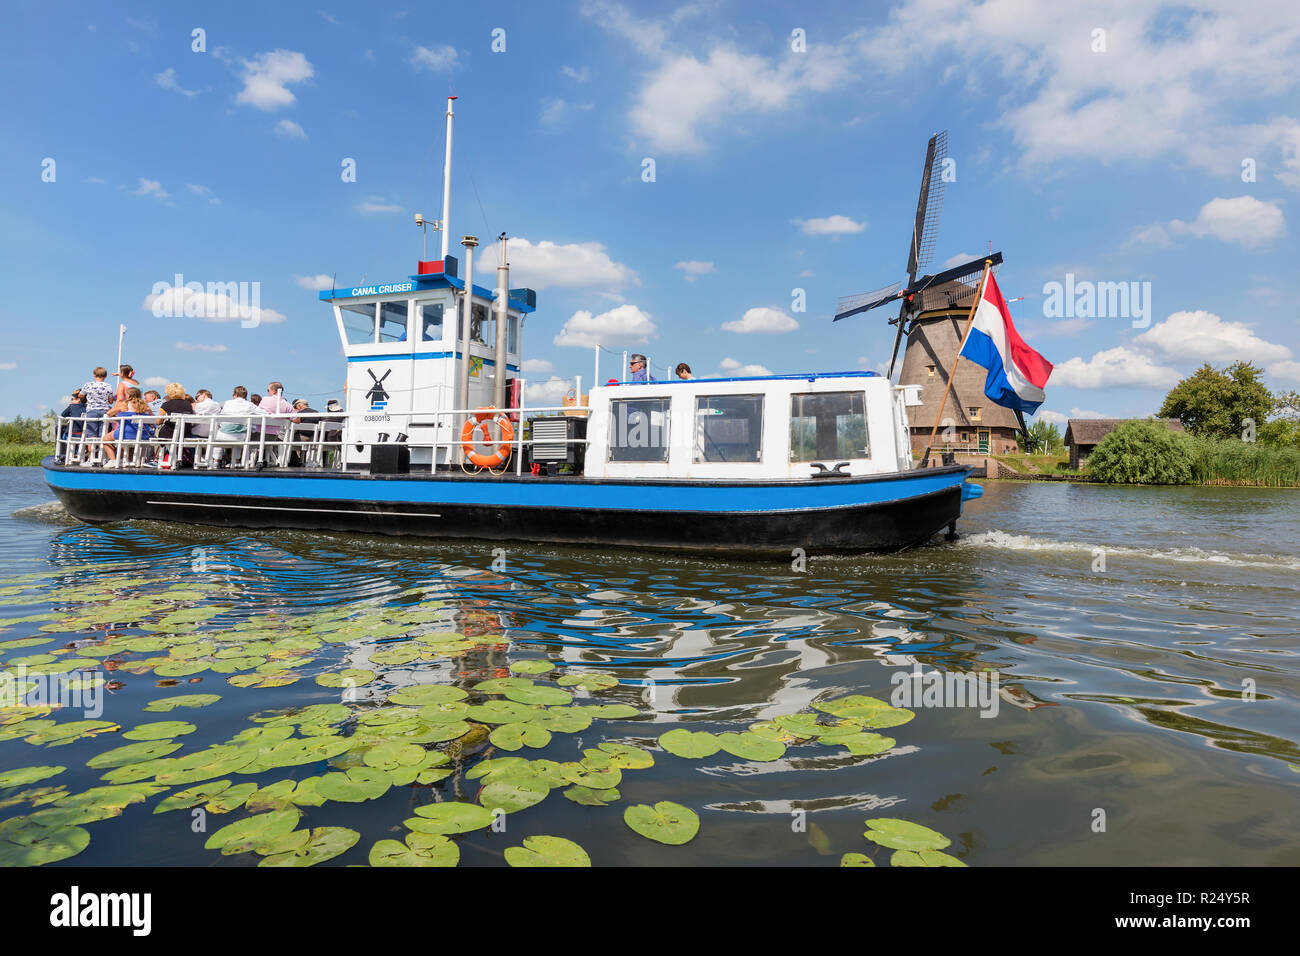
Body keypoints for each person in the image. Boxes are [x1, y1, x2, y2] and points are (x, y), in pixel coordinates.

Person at [214, 386, 261, 466]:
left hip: (223, 435)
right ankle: (235, 460)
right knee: (241, 431)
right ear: (245, 396)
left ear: (235, 395)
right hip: (240, 436)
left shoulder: (227, 403)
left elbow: (220, 416)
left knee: (219, 435)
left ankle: (216, 460)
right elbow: (263, 412)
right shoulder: (249, 405)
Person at [80, 367, 114, 443]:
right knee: (103, 434)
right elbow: (111, 401)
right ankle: (100, 453)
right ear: (105, 376)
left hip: (91, 410)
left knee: (91, 435)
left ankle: (91, 454)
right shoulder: (108, 386)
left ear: (94, 375)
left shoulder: (88, 385)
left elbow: (80, 395)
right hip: (104, 411)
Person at [58, 390, 87, 462]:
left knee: (64, 436)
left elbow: (63, 414)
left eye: (72, 399)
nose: (71, 401)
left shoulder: (72, 407)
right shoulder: (87, 408)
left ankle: (64, 454)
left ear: (78, 400)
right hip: (83, 434)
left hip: (72, 433)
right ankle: (77, 453)